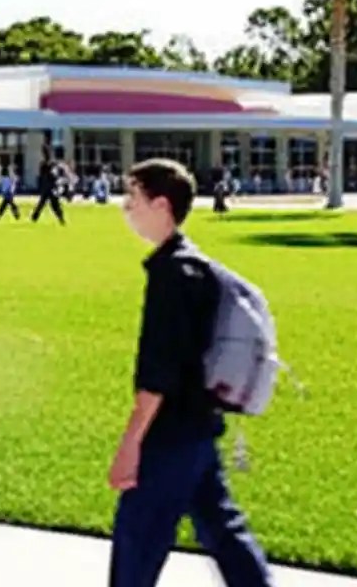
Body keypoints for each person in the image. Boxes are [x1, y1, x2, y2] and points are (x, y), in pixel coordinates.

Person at [108, 158, 271, 587]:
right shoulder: (194, 266)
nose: (126, 208)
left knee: (137, 542)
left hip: (169, 436)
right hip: (199, 427)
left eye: (133, 198)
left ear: (160, 205)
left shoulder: (170, 274)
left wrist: (130, 443)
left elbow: (157, 373)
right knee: (225, 534)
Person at [30, 145, 66, 225]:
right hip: (50, 186)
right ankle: (61, 218)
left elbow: (45, 175)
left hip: (48, 186)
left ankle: (34, 218)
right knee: (52, 204)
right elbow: (53, 174)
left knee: (45, 204)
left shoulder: (46, 164)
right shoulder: (50, 164)